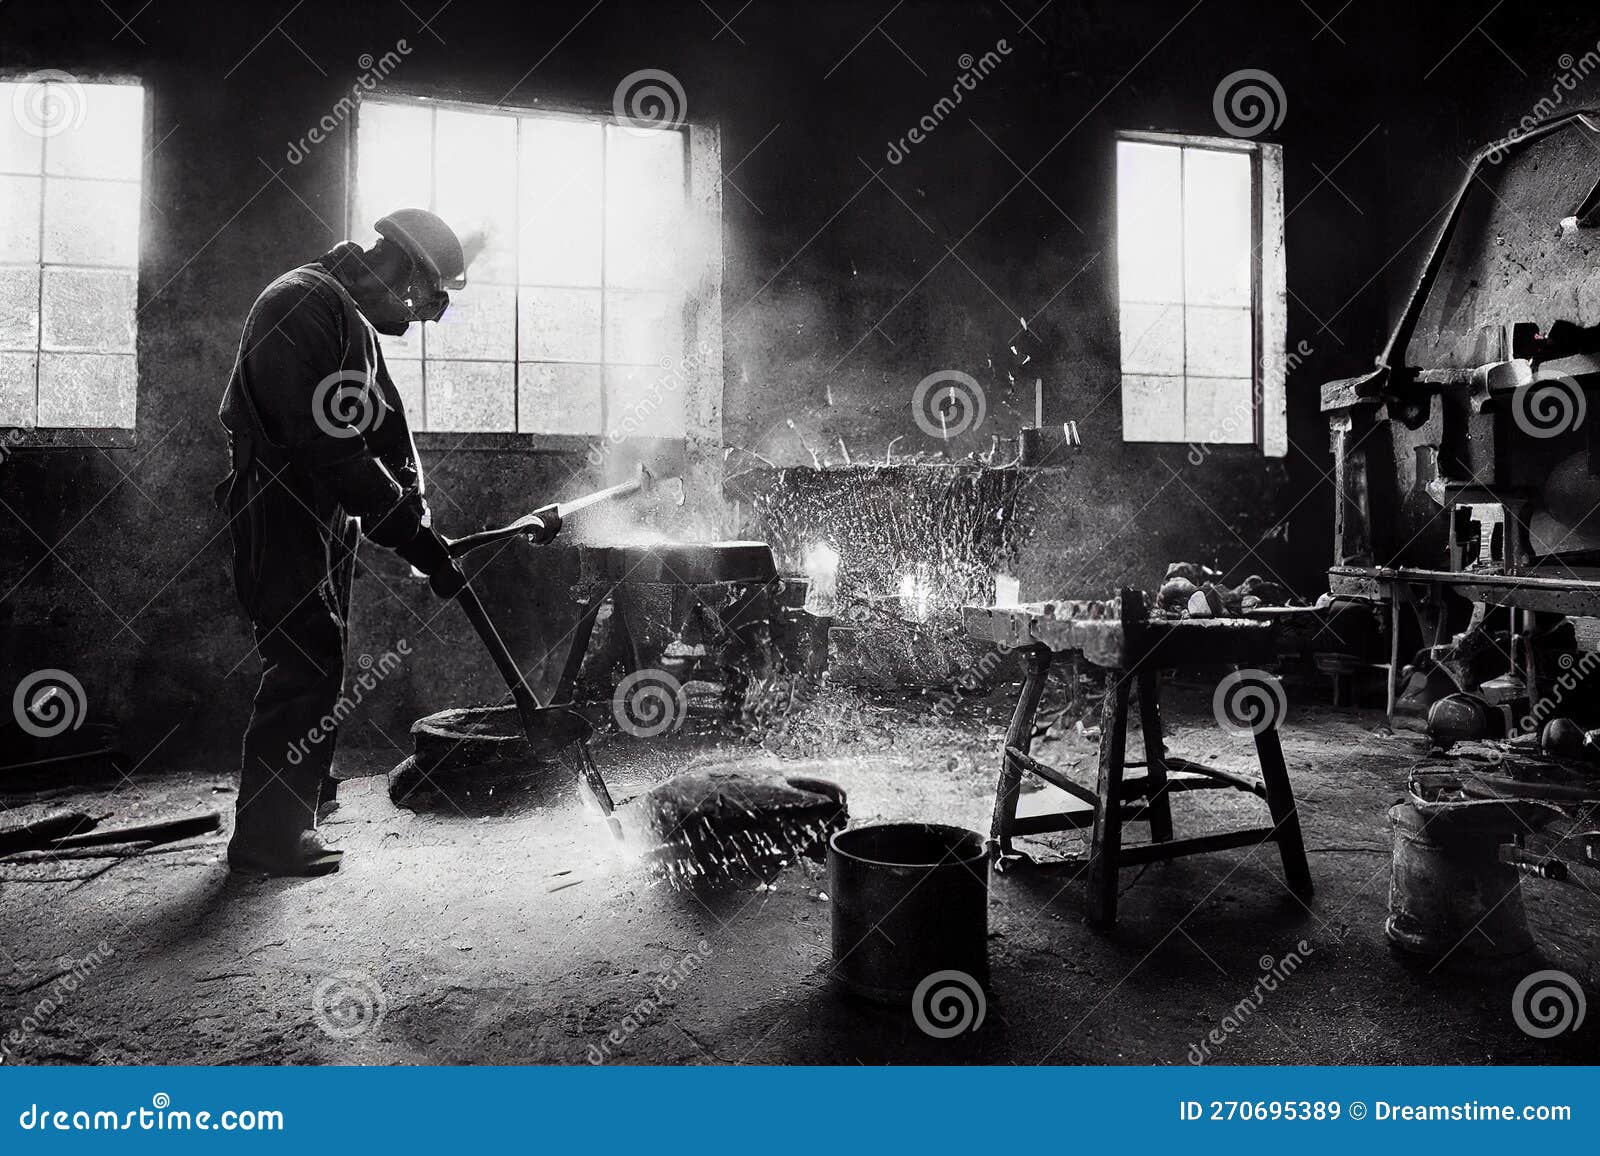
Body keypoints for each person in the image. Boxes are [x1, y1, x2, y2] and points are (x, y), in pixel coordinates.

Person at [216, 209, 476, 877]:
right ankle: (268, 838)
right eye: (424, 299)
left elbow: (386, 431)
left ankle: (304, 794)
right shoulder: (303, 302)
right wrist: (410, 536)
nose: (418, 316)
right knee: (303, 657)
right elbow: (326, 443)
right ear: (404, 270)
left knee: (321, 650)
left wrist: (420, 523)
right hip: (279, 500)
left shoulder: (346, 315)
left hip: (316, 507)